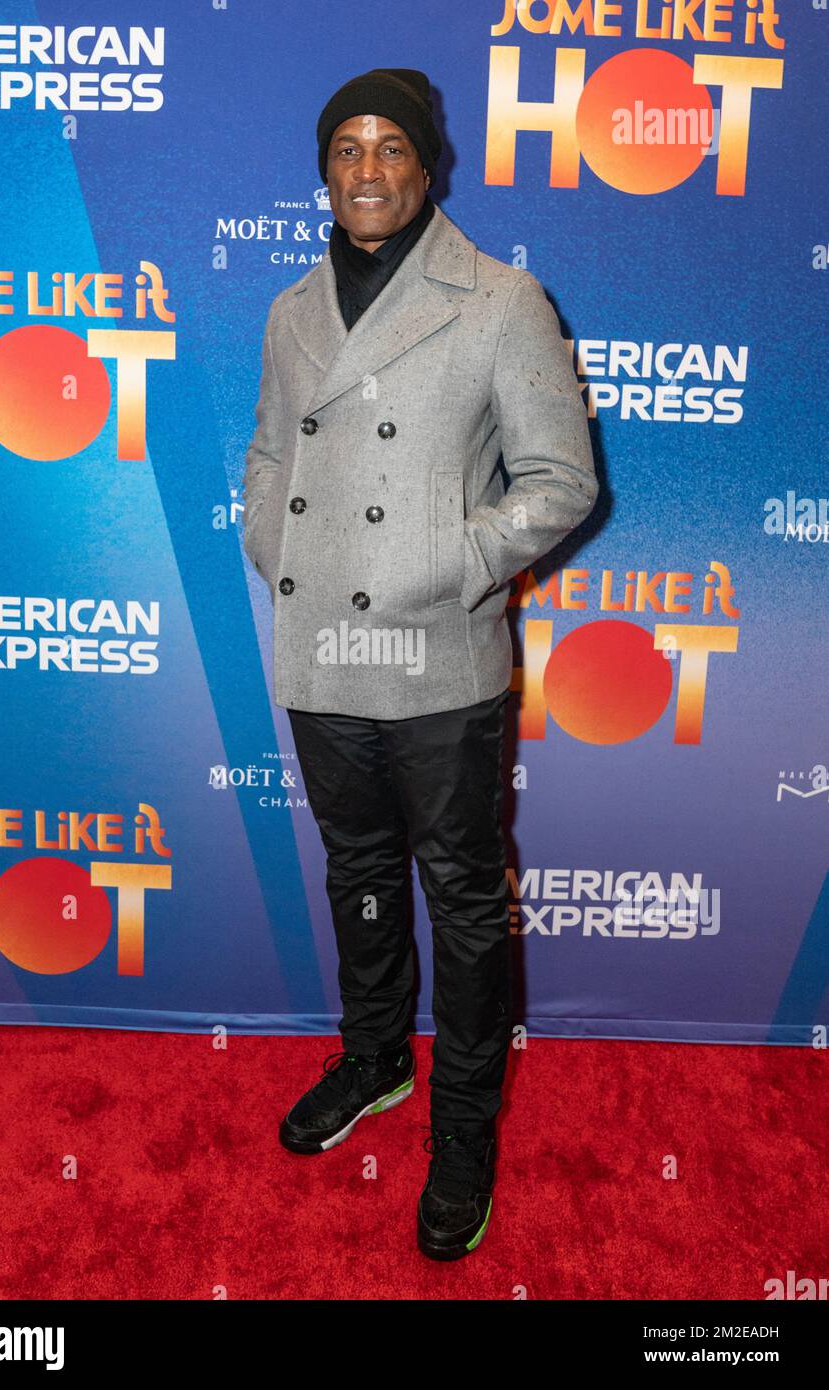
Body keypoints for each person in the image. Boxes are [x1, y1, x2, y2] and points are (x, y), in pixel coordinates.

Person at [242, 68, 599, 1260]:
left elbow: (561, 482)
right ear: (324, 168)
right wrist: (271, 535)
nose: (367, 167)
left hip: (436, 650)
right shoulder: (292, 307)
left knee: (460, 893)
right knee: (356, 866)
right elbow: (263, 451)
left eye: (392, 145)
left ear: (429, 165)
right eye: (346, 145)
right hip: (319, 649)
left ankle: (464, 1125)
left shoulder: (500, 298)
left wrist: (451, 563)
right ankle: (377, 1055)